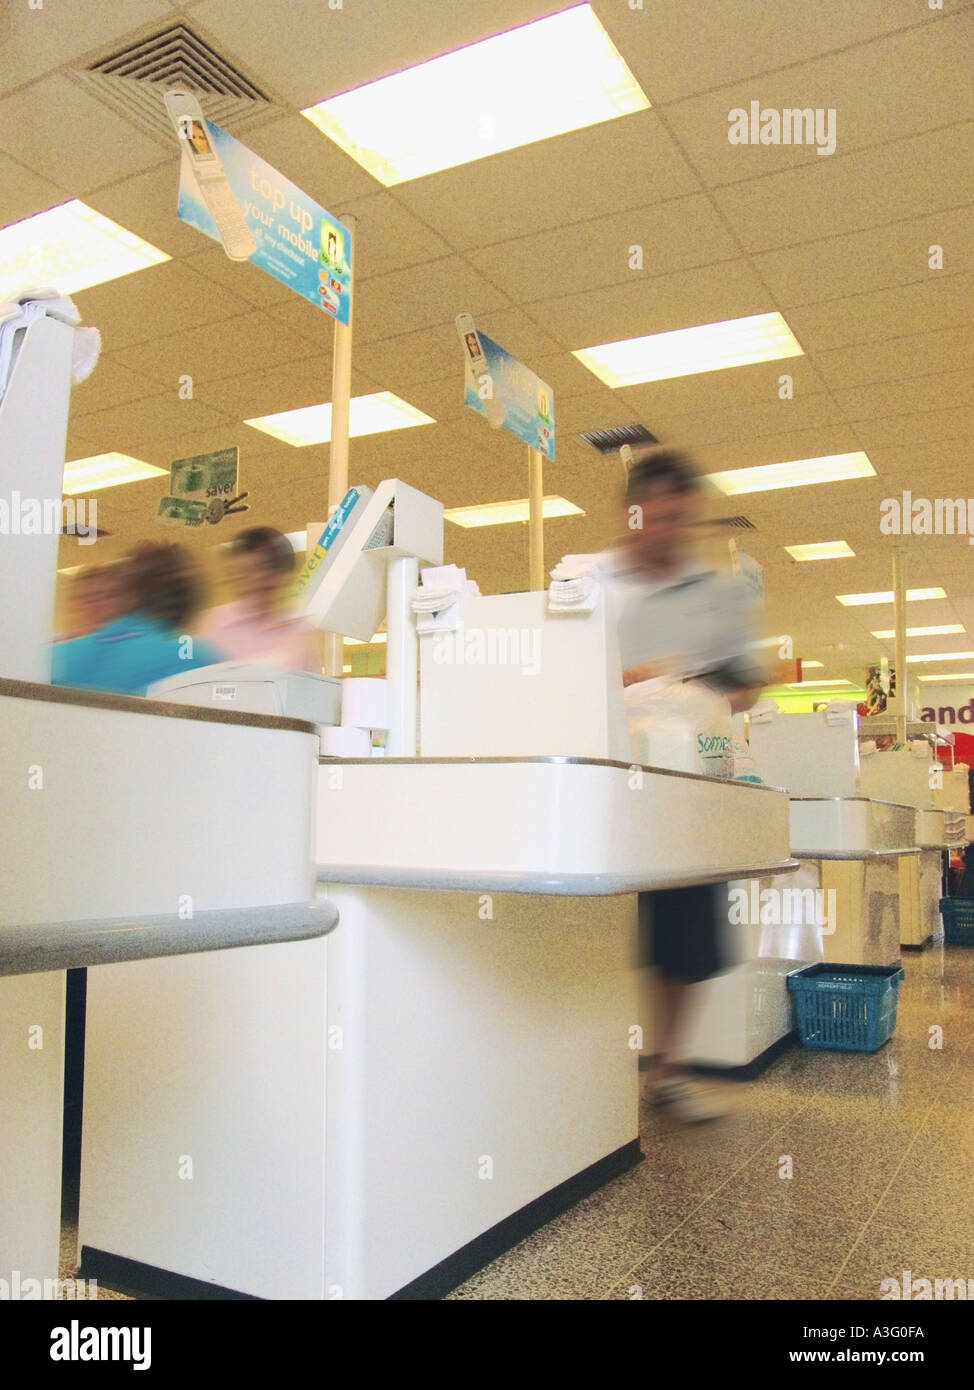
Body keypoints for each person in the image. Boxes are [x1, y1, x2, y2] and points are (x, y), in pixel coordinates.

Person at [602, 448, 767, 1124]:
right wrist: (633, 679)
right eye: (654, 515)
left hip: (689, 789)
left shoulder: (716, 593)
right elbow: (568, 680)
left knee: (689, 938)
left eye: (679, 516)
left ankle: (666, 1071)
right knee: (611, 925)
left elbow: (749, 685)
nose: (665, 528)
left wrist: (692, 681)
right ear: (632, 514)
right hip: (615, 788)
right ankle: (606, 1065)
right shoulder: (599, 589)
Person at [51, 542, 224, 696]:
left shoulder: (57, 656)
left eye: (106, 596)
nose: (96, 605)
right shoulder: (192, 657)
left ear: (128, 593)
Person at [199, 526, 320, 671]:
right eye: (247, 571)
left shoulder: (301, 632)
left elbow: (313, 689)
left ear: (283, 575)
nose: (258, 578)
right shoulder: (212, 624)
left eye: (267, 568)